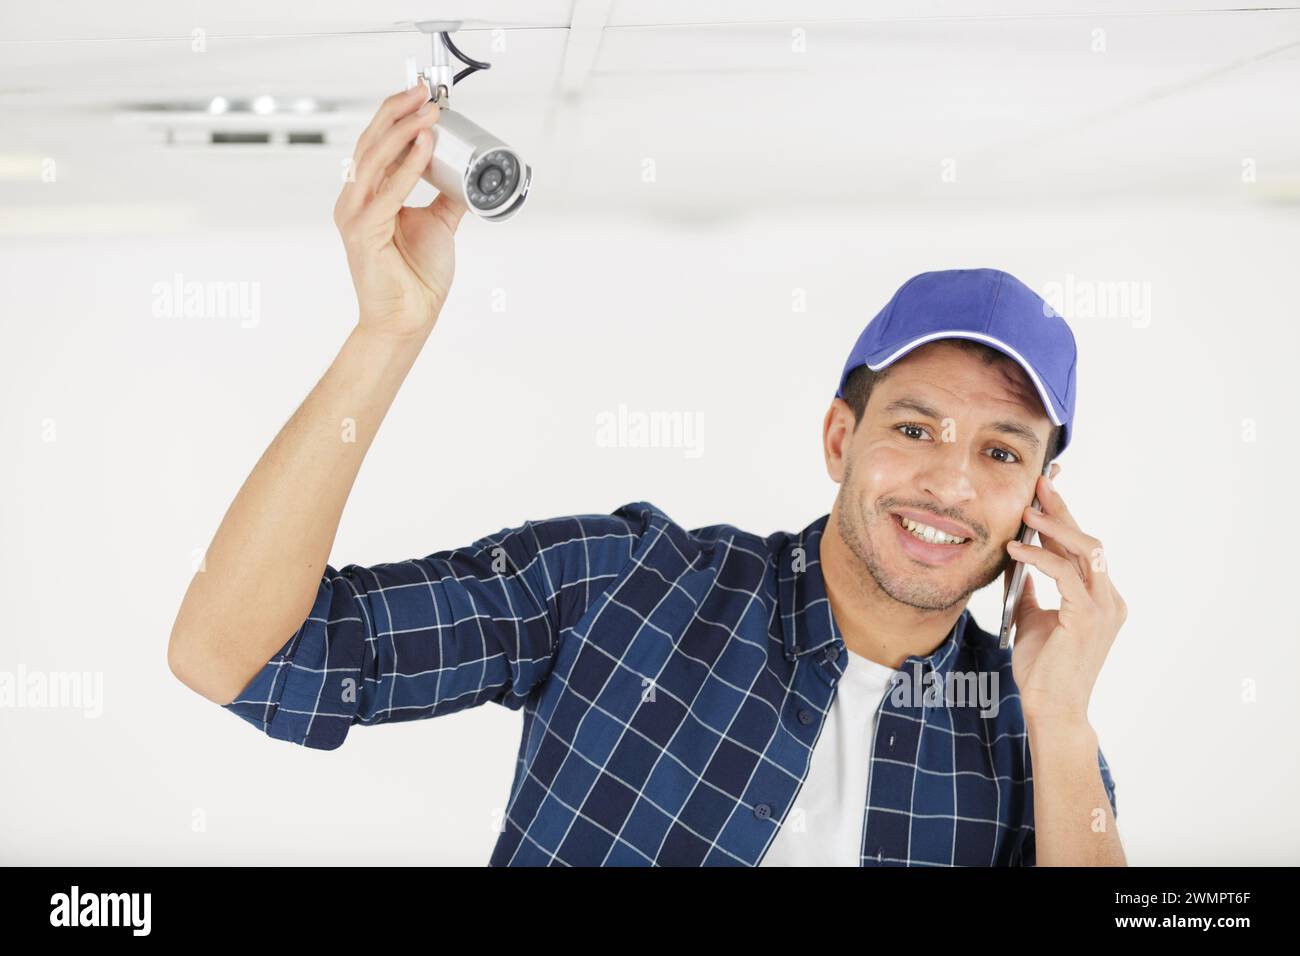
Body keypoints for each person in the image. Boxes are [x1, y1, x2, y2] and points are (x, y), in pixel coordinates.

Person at [167, 86, 1128, 867]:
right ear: (840, 438)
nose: (951, 483)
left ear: (1042, 499)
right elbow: (234, 656)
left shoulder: (1030, 735)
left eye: (1001, 451)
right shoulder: (625, 583)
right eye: (915, 427)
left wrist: (1060, 716)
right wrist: (388, 331)